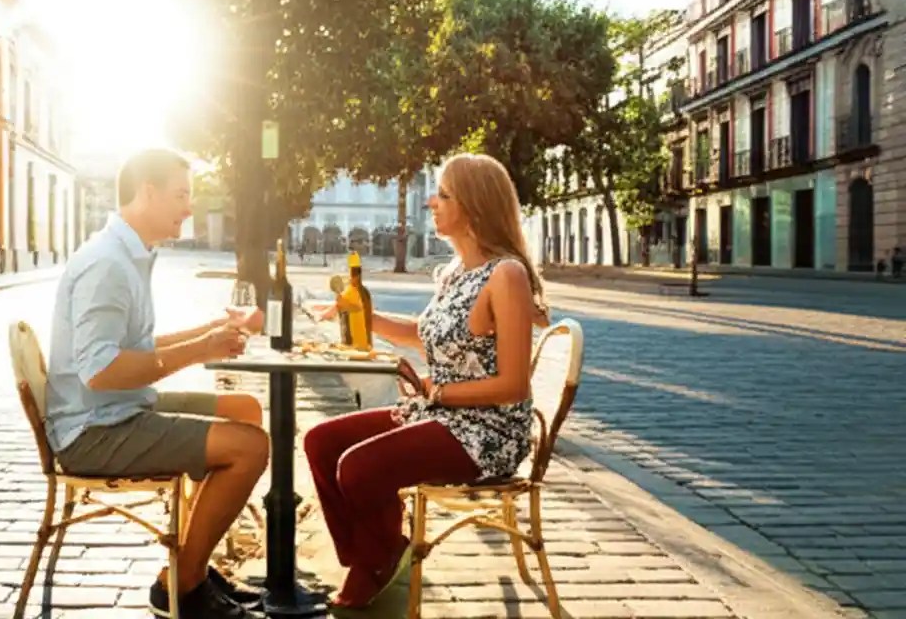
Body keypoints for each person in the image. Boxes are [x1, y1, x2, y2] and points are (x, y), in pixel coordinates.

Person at [303, 153, 550, 613]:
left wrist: (435, 390)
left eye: (444, 195)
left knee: (358, 468)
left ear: (474, 207)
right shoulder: (453, 273)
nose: (431, 203)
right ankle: (372, 559)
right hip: (442, 414)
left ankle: (376, 565)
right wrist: (360, 315)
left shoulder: (506, 276)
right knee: (321, 441)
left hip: (488, 433)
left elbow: (514, 385)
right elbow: (425, 333)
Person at [45, 147, 270, 619]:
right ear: (148, 194)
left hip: (119, 411)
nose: (189, 207)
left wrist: (210, 331)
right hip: (93, 431)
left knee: (245, 409)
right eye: (181, 194)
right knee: (249, 447)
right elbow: (101, 371)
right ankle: (183, 587)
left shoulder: (129, 254)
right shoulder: (107, 263)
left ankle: (190, 564)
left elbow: (140, 346)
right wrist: (202, 350)